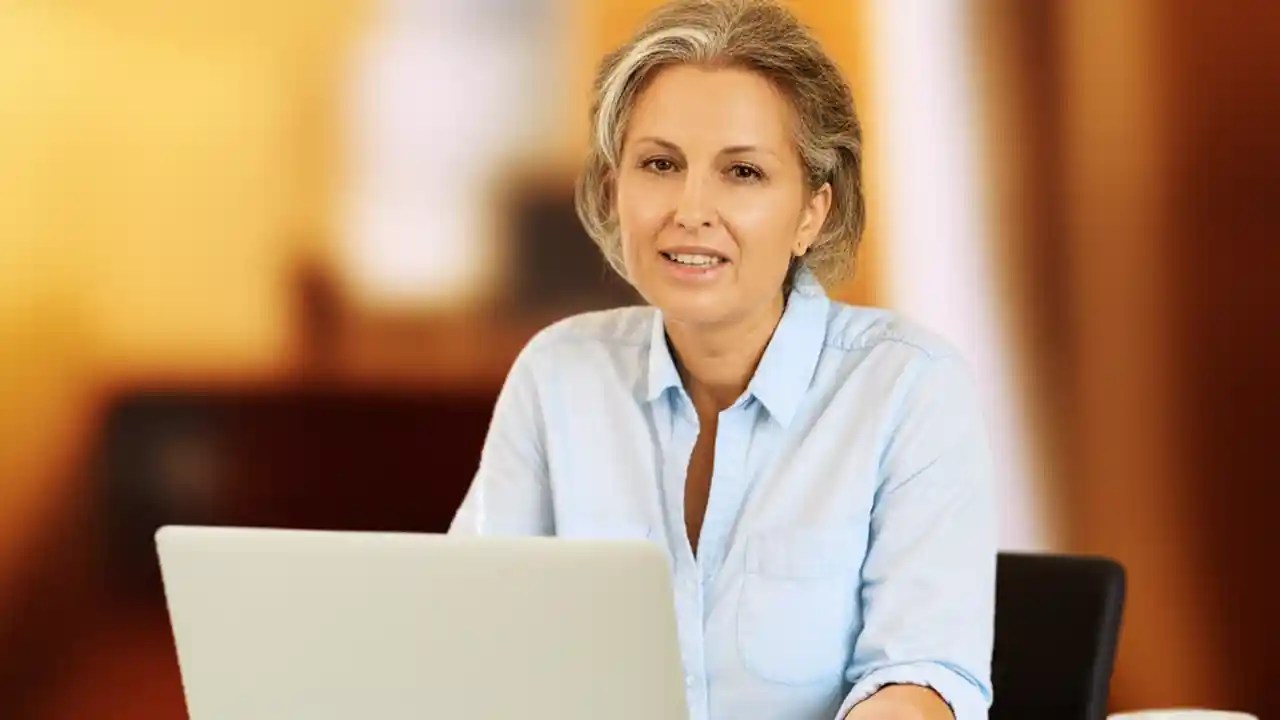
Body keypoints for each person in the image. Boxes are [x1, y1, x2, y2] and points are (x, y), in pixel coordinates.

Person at [449, 1, 995, 718]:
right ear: (615, 192)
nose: (691, 208)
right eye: (659, 164)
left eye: (741, 172)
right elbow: (466, 638)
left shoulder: (908, 389)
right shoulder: (558, 376)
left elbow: (921, 680)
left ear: (812, 211)